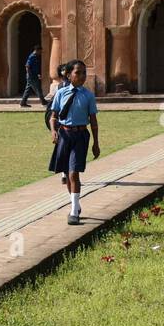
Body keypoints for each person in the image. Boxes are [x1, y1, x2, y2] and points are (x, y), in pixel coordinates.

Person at [49, 60, 101, 226]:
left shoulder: (88, 96)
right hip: (64, 135)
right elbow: (53, 117)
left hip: (80, 136)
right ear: (69, 75)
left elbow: (93, 121)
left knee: (73, 173)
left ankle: (73, 212)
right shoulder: (61, 93)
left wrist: (96, 143)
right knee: (67, 171)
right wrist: (53, 130)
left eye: (84, 73)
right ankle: (76, 204)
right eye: (78, 73)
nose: (82, 76)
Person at [44, 63, 70, 184]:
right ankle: (65, 173)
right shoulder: (60, 87)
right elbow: (54, 108)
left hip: (72, 121)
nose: (64, 72)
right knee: (62, 146)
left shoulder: (76, 87)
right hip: (61, 121)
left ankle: (67, 172)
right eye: (62, 70)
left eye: (66, 70)